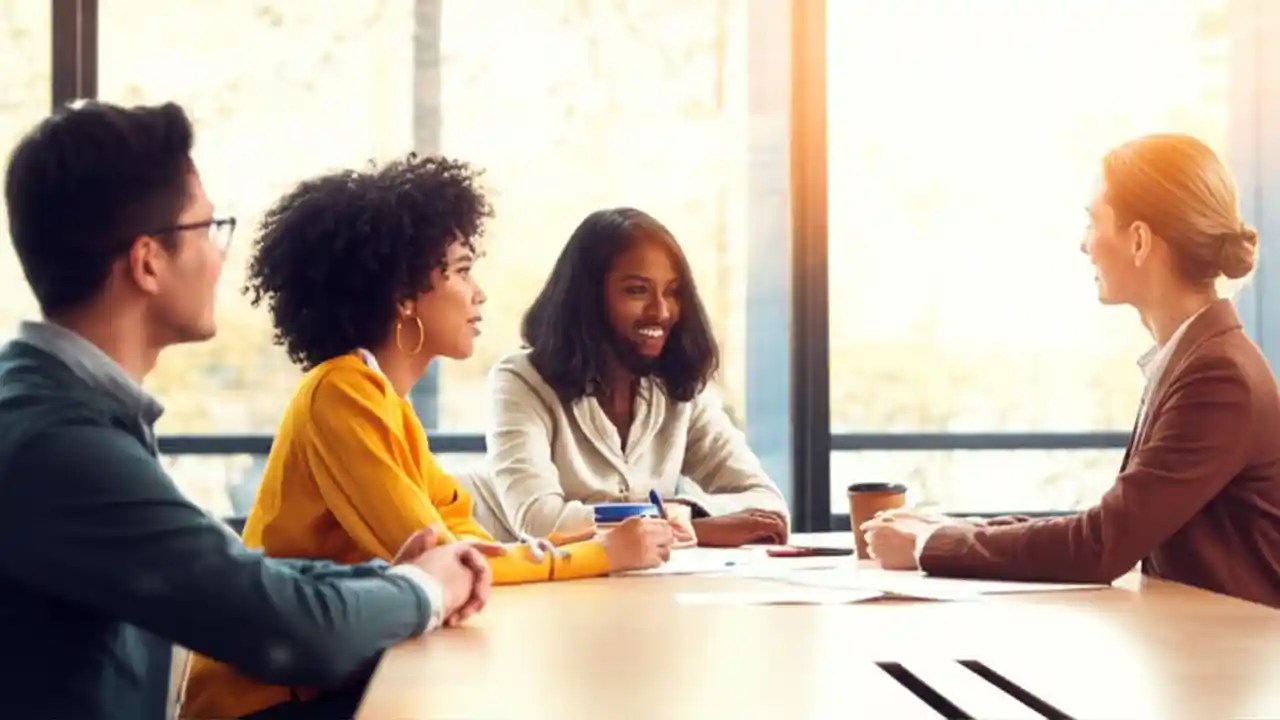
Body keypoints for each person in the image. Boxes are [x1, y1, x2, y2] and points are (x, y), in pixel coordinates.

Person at [0, 101, 491, 720]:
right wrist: (426, 587)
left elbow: (242, 577)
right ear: (148, 262)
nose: (219, 255)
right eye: (208, 229)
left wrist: (392, 584)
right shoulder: (61, 445)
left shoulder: (59, 406)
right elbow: (287, 630)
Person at [183, 158, 676, 718]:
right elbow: (452, 561)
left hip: (337, 679)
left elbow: (467, 541)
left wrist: (594, 545)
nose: (479, 294)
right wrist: (602, 554)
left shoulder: (385, 401)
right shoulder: (342, 394)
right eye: (463, 271)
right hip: (268, 703)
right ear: (404, 296)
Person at [864, 133, 1280, 608]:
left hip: (1239, 663)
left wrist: (928, 547)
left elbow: (1101, 544)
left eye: (1092, 222)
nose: (1084, 246)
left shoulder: (1217, 378)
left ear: (1140, 240)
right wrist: (954, 531)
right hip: (1207, 653)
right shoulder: (1196, 357)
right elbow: (1114, 522)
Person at [486, 207, 790, 547]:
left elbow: (768, 506)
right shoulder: (522, 381)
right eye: (637, 291)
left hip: (652, 594)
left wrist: (685, 514)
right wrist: (676, 524)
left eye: (673, 292)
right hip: (556, 594)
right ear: (587, 298)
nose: (661, 312)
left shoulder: (677, 387)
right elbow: (538, 521)